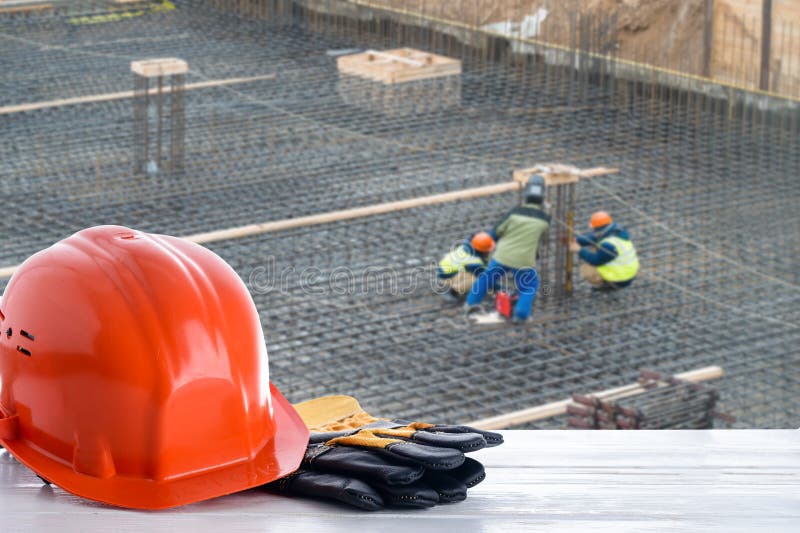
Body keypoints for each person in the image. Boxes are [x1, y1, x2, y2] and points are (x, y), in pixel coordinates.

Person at [465, 175, 550, 323]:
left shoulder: (514, 212)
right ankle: (521, 315)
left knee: (487, 278)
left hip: (503, 256)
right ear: (543, 195)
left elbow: (495, 232)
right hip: (524, 259)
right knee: (528, 286)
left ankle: (471, 304)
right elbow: (540, 240)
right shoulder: (545, 220)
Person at [569, 211, 639, 289]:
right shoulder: (615, 231)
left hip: (620, 280)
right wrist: (577, 240)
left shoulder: (609, 245)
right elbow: (593, 238)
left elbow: (595, 260)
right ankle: (609, 281)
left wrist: (579, 250)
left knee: (586, 266)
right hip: (627, 274)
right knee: (595, 247)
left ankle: (607, 284)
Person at [437, 231, 495, 302]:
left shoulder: (467, 247)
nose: (489, 252)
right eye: (487, 250)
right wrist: (501, 288)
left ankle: (453, 284)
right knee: (478, 281)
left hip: (444, 271)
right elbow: (485, 277)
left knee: (476, 274)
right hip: (446, 276)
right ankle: (451, 292)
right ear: (482, 251)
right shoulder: (474, 261)